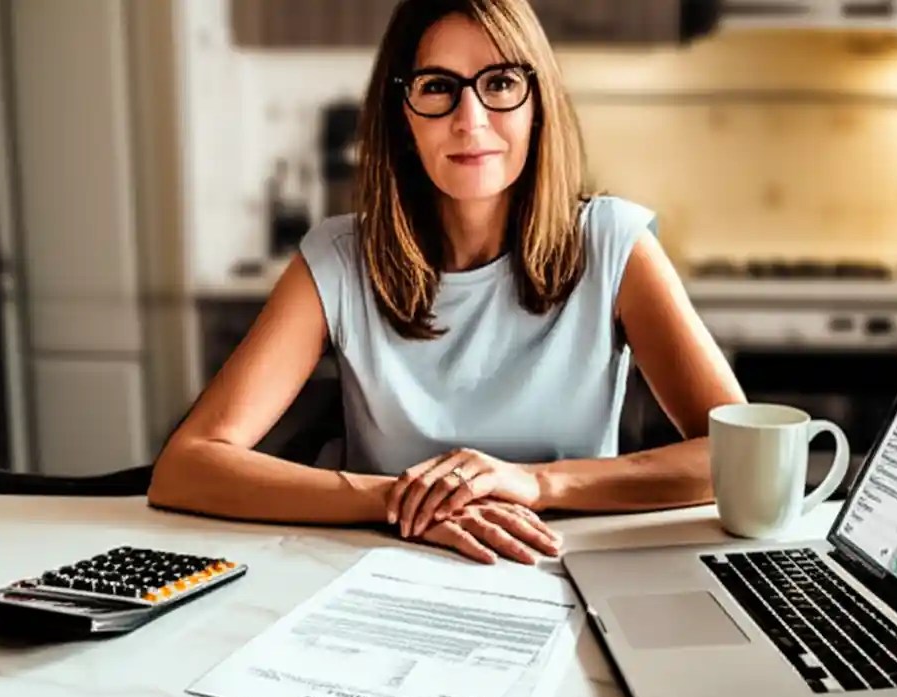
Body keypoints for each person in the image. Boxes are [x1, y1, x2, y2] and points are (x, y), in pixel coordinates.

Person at [148, 0, 745, 565]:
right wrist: (398, 502)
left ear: (539, 104)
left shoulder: (614, 242)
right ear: (402, 115)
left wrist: (536, 483)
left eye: (501, 83)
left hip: (569, 567)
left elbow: (740, 454)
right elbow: (188, 464)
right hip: (385, 566)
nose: (471, 120)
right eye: (437, 87)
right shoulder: (337, 259)